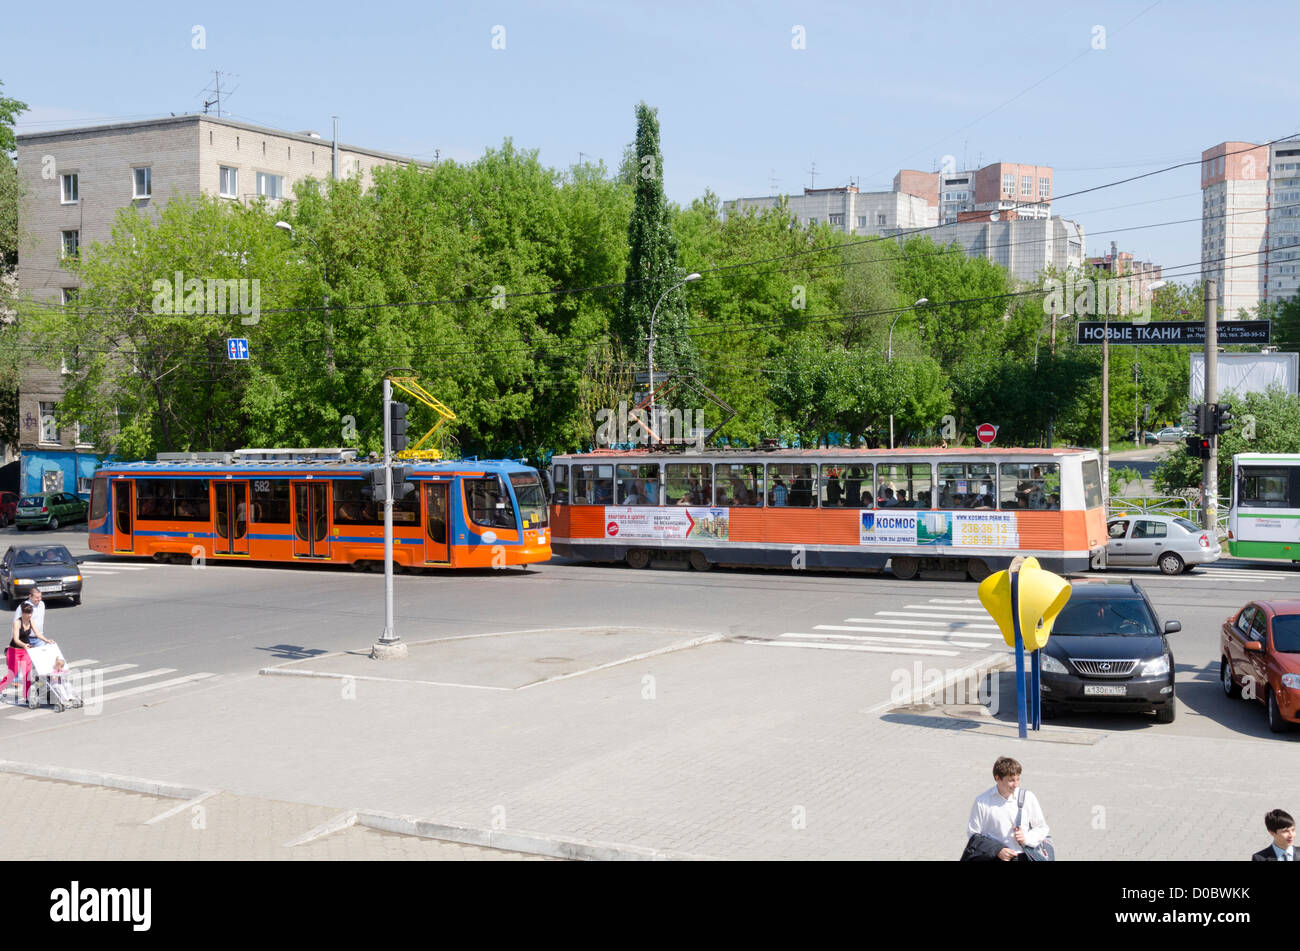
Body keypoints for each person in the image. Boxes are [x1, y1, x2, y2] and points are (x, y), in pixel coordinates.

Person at [966, 756, 1051, 861]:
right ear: (997, 778)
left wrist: (1026, 838)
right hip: (995, 857)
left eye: (1018, 779)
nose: (1016, 784)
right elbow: (973, 834)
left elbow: (1042, 828)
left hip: (1024, 856)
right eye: (1011, 780)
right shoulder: (982, 801)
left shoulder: (1028, 797)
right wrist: (997, 850)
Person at [1, 602, 50, 704]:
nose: (30, 615)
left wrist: (47, 640)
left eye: (31, 613)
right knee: (12, 675)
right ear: (23, 613)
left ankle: (26, 697)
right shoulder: (17, 623)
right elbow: (16, 639)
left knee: (27, 674)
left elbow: (37, 633)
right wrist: (24, 645)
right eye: (27, 613)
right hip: (14, 651)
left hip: (26, 651)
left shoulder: (31, 621)